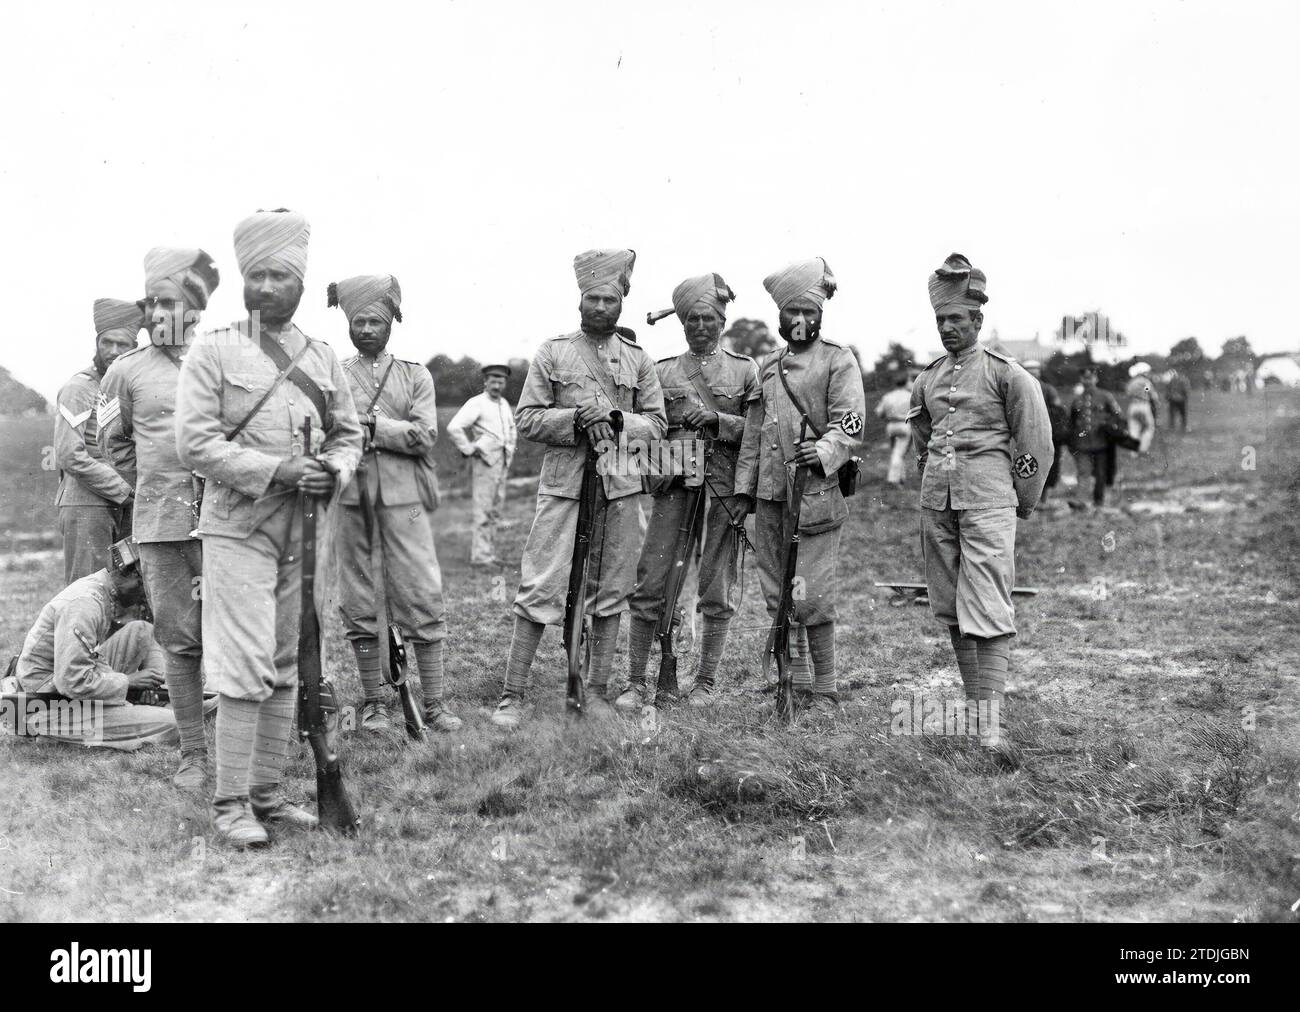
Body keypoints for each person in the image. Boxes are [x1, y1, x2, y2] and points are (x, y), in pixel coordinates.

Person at [176, 209, 363, 848]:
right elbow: (194, 443)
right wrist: (280, 469)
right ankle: (231, 804)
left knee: (289, 660)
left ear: (302, 283)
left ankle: (269, 796)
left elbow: (348, 431)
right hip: (237, 526)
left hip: (306, 532)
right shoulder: (214, 348)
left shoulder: (321, 355)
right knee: (245, 663)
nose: (265, 288)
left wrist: (334, 471)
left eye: (279, 276)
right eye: (255, 275)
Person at [490, 249, 667, 729]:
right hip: (565, 488)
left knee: (611, 589)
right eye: (592, 297)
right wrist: (574, 419)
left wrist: (614, 419)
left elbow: (656, 424)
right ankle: (512, 694)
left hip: (620, 489)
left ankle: (597, 690)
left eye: (609, 299)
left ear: (622, 303)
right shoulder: (553, 352)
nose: (600, 307)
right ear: (579, 299)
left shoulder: (639, 360)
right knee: (541, 583)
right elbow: (528, 417)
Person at [908, 253, 1052, 735]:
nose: (948, 328)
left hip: (989, 502)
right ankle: (974, 710)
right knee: (950, 605)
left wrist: (1021, 500)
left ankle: (988, 728)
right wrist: (933, 484)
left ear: (978, 320)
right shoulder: (926, 378)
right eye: (941, 320)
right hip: (938, 504)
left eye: (956, 319)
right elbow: (922, 441)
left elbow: (1034, 443)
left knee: (988, 604)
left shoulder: (1007, 374)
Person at [98, 247, 220, 787]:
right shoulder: (124, 374)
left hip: (224, 521)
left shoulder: (223, 359)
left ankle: (253, 746)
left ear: (195, 309)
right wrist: (154, 486)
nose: (156, 314)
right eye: (150, 303)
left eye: (169, 303)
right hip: (161, 527)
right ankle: (193, 753)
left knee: (241, 633)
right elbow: (113, 443)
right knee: (179, 638)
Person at [619, 273, 760, 710]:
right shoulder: (662, 371)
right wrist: (658, 472)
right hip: (675, 486)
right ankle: (639, 679)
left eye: (709, 318)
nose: (701, 326)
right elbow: (648, 429)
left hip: (723, 485)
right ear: (682, 323)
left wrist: (720, 422)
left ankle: (706, 681)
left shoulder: (744, 369)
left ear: (722, 321)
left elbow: (758, 431)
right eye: (692, 319)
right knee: (652, 580)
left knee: (717, 584)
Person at [330, 274, 461, 733]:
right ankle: (373, 703)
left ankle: (436, 703)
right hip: (351, 499)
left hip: (405, 500)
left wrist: (369, 427)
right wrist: (375, 431)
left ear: (391, 325)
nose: (367, 329)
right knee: (359, 597)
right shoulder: (334, 375)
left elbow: (425, 435)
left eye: (375, 322)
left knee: (422, 592)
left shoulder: (414, 374)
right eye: (359, 321)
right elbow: (327, 433)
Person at [735, 257, 866, 715]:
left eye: (808, 312)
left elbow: (850, 421)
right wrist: (742, 492)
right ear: (779, 317)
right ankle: (797, 682)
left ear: (821, 315)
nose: (799, 321)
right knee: (778, 591)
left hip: (813, 496)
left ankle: (826, 687)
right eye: (791, 312)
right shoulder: (767, 365)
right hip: (771, 498)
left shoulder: (837, 359)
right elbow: (753, 433)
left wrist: (826, 450)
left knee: (812, 591)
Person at [6, 539, 180, 747]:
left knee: (142, 631)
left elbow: (87, 660)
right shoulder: (85, 604)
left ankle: (155, 696)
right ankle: (50, 729)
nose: (146, 596)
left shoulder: (100, 589)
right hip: (48, 700)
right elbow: (71, 681)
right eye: (147, 587)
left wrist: (146, 684)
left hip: (64, 681)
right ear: (135, 575)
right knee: (172, 724)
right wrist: (129, 681)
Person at [55, 300, 140, 583]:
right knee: (88, 590)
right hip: (87, 503)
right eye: (107, 342)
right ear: (96, 343)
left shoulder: (131, 388)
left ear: (135, 347)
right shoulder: (79, 387)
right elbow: (70, 455)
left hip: (128, 502)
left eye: (123, 344)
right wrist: (123, 489)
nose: (113, 351)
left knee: (128, 592)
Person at [447, 364, 518, 567]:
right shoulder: (476, 402)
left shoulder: (503, 403)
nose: (497, 385)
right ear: (485, 382)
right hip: (485, 462)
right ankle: (480, 557)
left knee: (495, 510)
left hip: (502, 461)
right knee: (483, 511)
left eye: (501, 381)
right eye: (493, 381)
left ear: (505, 383)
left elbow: (511, 430)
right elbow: (454, 427)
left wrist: (510, 450)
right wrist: (469, 448)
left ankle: (489, 554)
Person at [1067, 365, 1124, 512]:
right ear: (1080, 379)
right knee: (1083, 472)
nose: (1088, 381)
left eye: (1090, 377)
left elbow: (1117, 415)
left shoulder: (1105, 396)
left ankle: (1099, 502)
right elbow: (1072, 422)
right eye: (1084, 378)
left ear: (1096, 378)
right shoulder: (1077, 399)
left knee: (1100, 474)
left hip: (1102, 442)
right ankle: (1081, 501)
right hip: (1082, 443)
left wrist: (1107, 425)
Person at [1022, 360, 1067, 508]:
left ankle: (1042, 499)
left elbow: (1058, 411)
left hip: (1046, 432)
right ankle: (1032, 500)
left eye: (1035, 370)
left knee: (1045, 466)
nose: (1033, 373)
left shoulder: (1048, 389)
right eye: (1029, 370)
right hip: (1027, 432)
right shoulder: (1021, 387)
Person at [875, 371, 913, 486]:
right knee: (899, 453)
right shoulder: (909, 396)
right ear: (906, 383)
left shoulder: (887, 396)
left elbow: (879, 412)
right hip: (904, 425)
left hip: (891, 425)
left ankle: (901, 477)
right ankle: (894, 479)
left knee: (896, 451)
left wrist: (888, 417)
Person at [1124, 361, 1159, 453]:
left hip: (1133, 406)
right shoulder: (1145, 382)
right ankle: (1143, 448)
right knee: (1149, 427)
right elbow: (1151, 393)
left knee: (1134, 429)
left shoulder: (1131, 382)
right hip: (1143, 405)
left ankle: (1133, 451)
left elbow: (1128, 393)